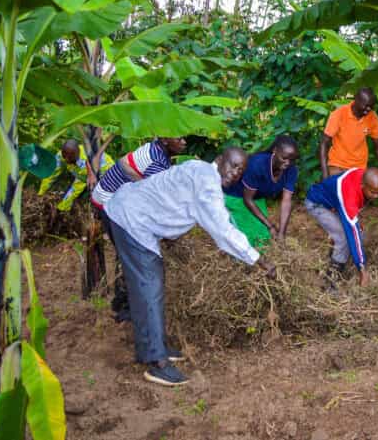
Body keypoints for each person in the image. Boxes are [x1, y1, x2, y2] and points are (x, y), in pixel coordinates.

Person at [104, 147, 276, 387]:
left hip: (129, 209)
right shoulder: (207, 185)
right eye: (233, 165)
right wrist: (260, 261)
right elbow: (223, 230)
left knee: (150, 286)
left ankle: (156, 346)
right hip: (130, 217)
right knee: (149, 288)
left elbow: (174, 197)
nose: (235, 173)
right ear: (219, 160)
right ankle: (157, 363)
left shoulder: (199, 168)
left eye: (240, 170)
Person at [90, 137, 187, 322]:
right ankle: (128, 310)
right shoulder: (156, 162)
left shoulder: (157, 151)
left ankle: (121, 301)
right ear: (165, 140)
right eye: (179, 138)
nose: (184, 142)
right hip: (110, 204)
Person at [305, 167, 378, 287]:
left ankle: (332, 261)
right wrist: (362, 267)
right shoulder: (349, 194)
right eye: (373, 192)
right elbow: (352, 231)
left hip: (335, 205)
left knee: (360, 234)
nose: (376, 196)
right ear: (363, 185)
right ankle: (331, 281)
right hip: (317, 204)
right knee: (344, 237)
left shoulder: (362, 177)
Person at [223, 135, 299, 246]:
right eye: (284, 158)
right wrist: (270, 226)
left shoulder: (291, 170)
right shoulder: (257, 164)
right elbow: (247, 199)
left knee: (264, 239)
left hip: (256, 200)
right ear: (275, 151)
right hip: (236, 197)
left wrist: (282, 233)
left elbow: (286, 201)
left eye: (291, 160)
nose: (287, 163)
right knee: (248, 242)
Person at [319, 88, 378, 178]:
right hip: (337, 165)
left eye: (371, 106)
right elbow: (324, 143)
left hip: (359, 168)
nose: (368, 109)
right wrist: (325, 175)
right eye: (366, 106)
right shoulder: (339, 114)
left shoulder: (372, 117)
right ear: (356, 100)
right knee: (333, 185)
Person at [37, 139, 114, 212]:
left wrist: (62, 207)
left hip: (106, 175)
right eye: (64, 156)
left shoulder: (85, 164)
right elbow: (52, 173)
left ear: (77, 153)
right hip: (88, 173)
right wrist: (41, 193)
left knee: (98, 200)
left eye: (70, 157)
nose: (66, 159)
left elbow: (76, 188)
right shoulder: (62, 154)